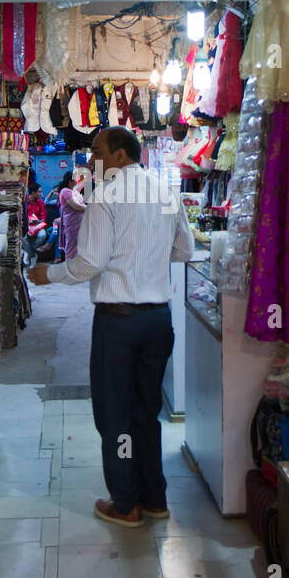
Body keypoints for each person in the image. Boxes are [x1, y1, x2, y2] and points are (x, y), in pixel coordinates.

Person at [28, 127, 194, 527]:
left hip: (119, 322)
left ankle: (125, 503)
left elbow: (89, 264)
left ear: (120, 154)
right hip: (158, 319)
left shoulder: (105, 196)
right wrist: (148, 259)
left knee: (114, 414)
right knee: (146, 410)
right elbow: (185, 250)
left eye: (97, 151)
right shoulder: (166, 192)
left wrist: (47, 275)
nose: (90, 159)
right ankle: (155, 499)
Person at [58, 169, 87, 260]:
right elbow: (77, 206)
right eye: (76, 180)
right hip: (73, 224)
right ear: (70, 181)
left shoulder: (74, 191)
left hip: (80, 223)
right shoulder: (66, 191)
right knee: (72, 246)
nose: (78, 182)